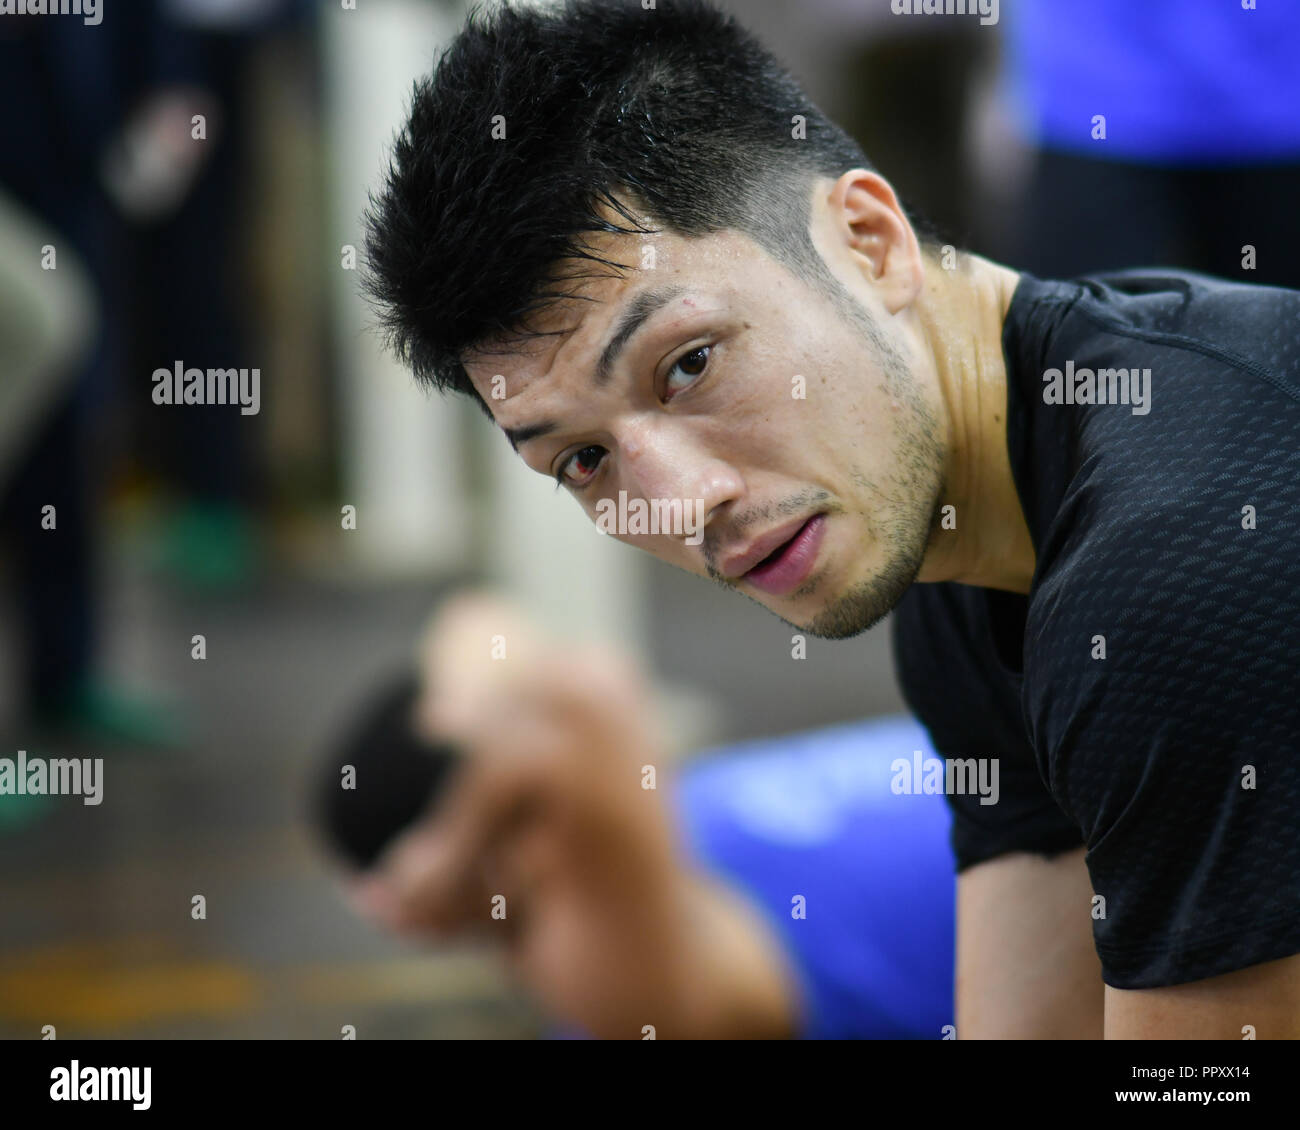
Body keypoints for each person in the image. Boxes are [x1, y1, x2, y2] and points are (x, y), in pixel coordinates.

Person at [359, 0, 1300, 1039]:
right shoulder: (968, 560)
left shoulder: (1170, 562)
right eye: (583, 459)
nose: (680, 502)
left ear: (869, 239)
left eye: (688, 364)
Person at [325, 594, 955, 1040]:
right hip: (1036, 820)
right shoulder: (607, 967)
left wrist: (452, 841)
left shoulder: (613, 829)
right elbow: (585, 689)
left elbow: (477, 620)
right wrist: (458, 838)